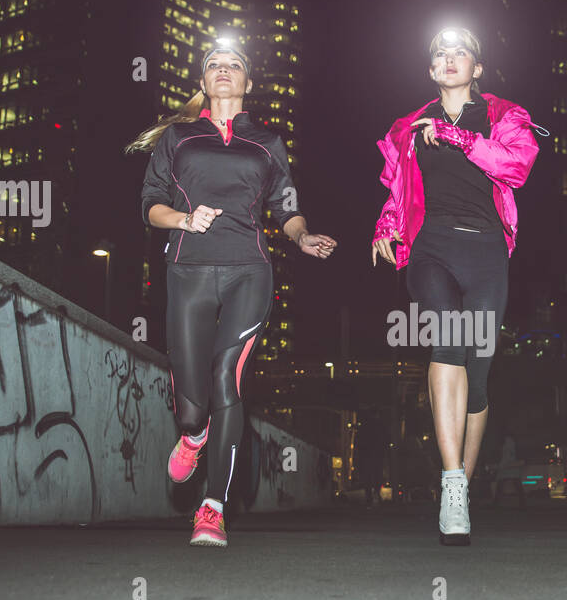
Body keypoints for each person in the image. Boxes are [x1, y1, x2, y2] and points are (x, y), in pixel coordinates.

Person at [125, 36, 337, 547]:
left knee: (227, 377)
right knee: (193, 401)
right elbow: (151, 203)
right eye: (213, 65)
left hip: (249, 270)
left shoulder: (267, 143)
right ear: (203, 82)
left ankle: (212, 508)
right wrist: (183, 219)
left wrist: (301, 235)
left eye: (234, 64)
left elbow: (286, 207)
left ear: (247, 83)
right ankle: (193, 434)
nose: (223, 70)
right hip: (188, 271)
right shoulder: (177, 138)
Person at [371, 27, 543, 545]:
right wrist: (385, 226)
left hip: (487, 250)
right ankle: (450, 484)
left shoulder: (503, 116)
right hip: (430, 249)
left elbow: (517, 167)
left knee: (479, 373)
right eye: (440, 54)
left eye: (460, 52)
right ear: (430, 70)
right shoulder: (407, 127)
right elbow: (398, 189)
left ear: (478, 68)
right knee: (447, 342)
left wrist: (458, 138)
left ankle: (464, 486)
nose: (449, 59)